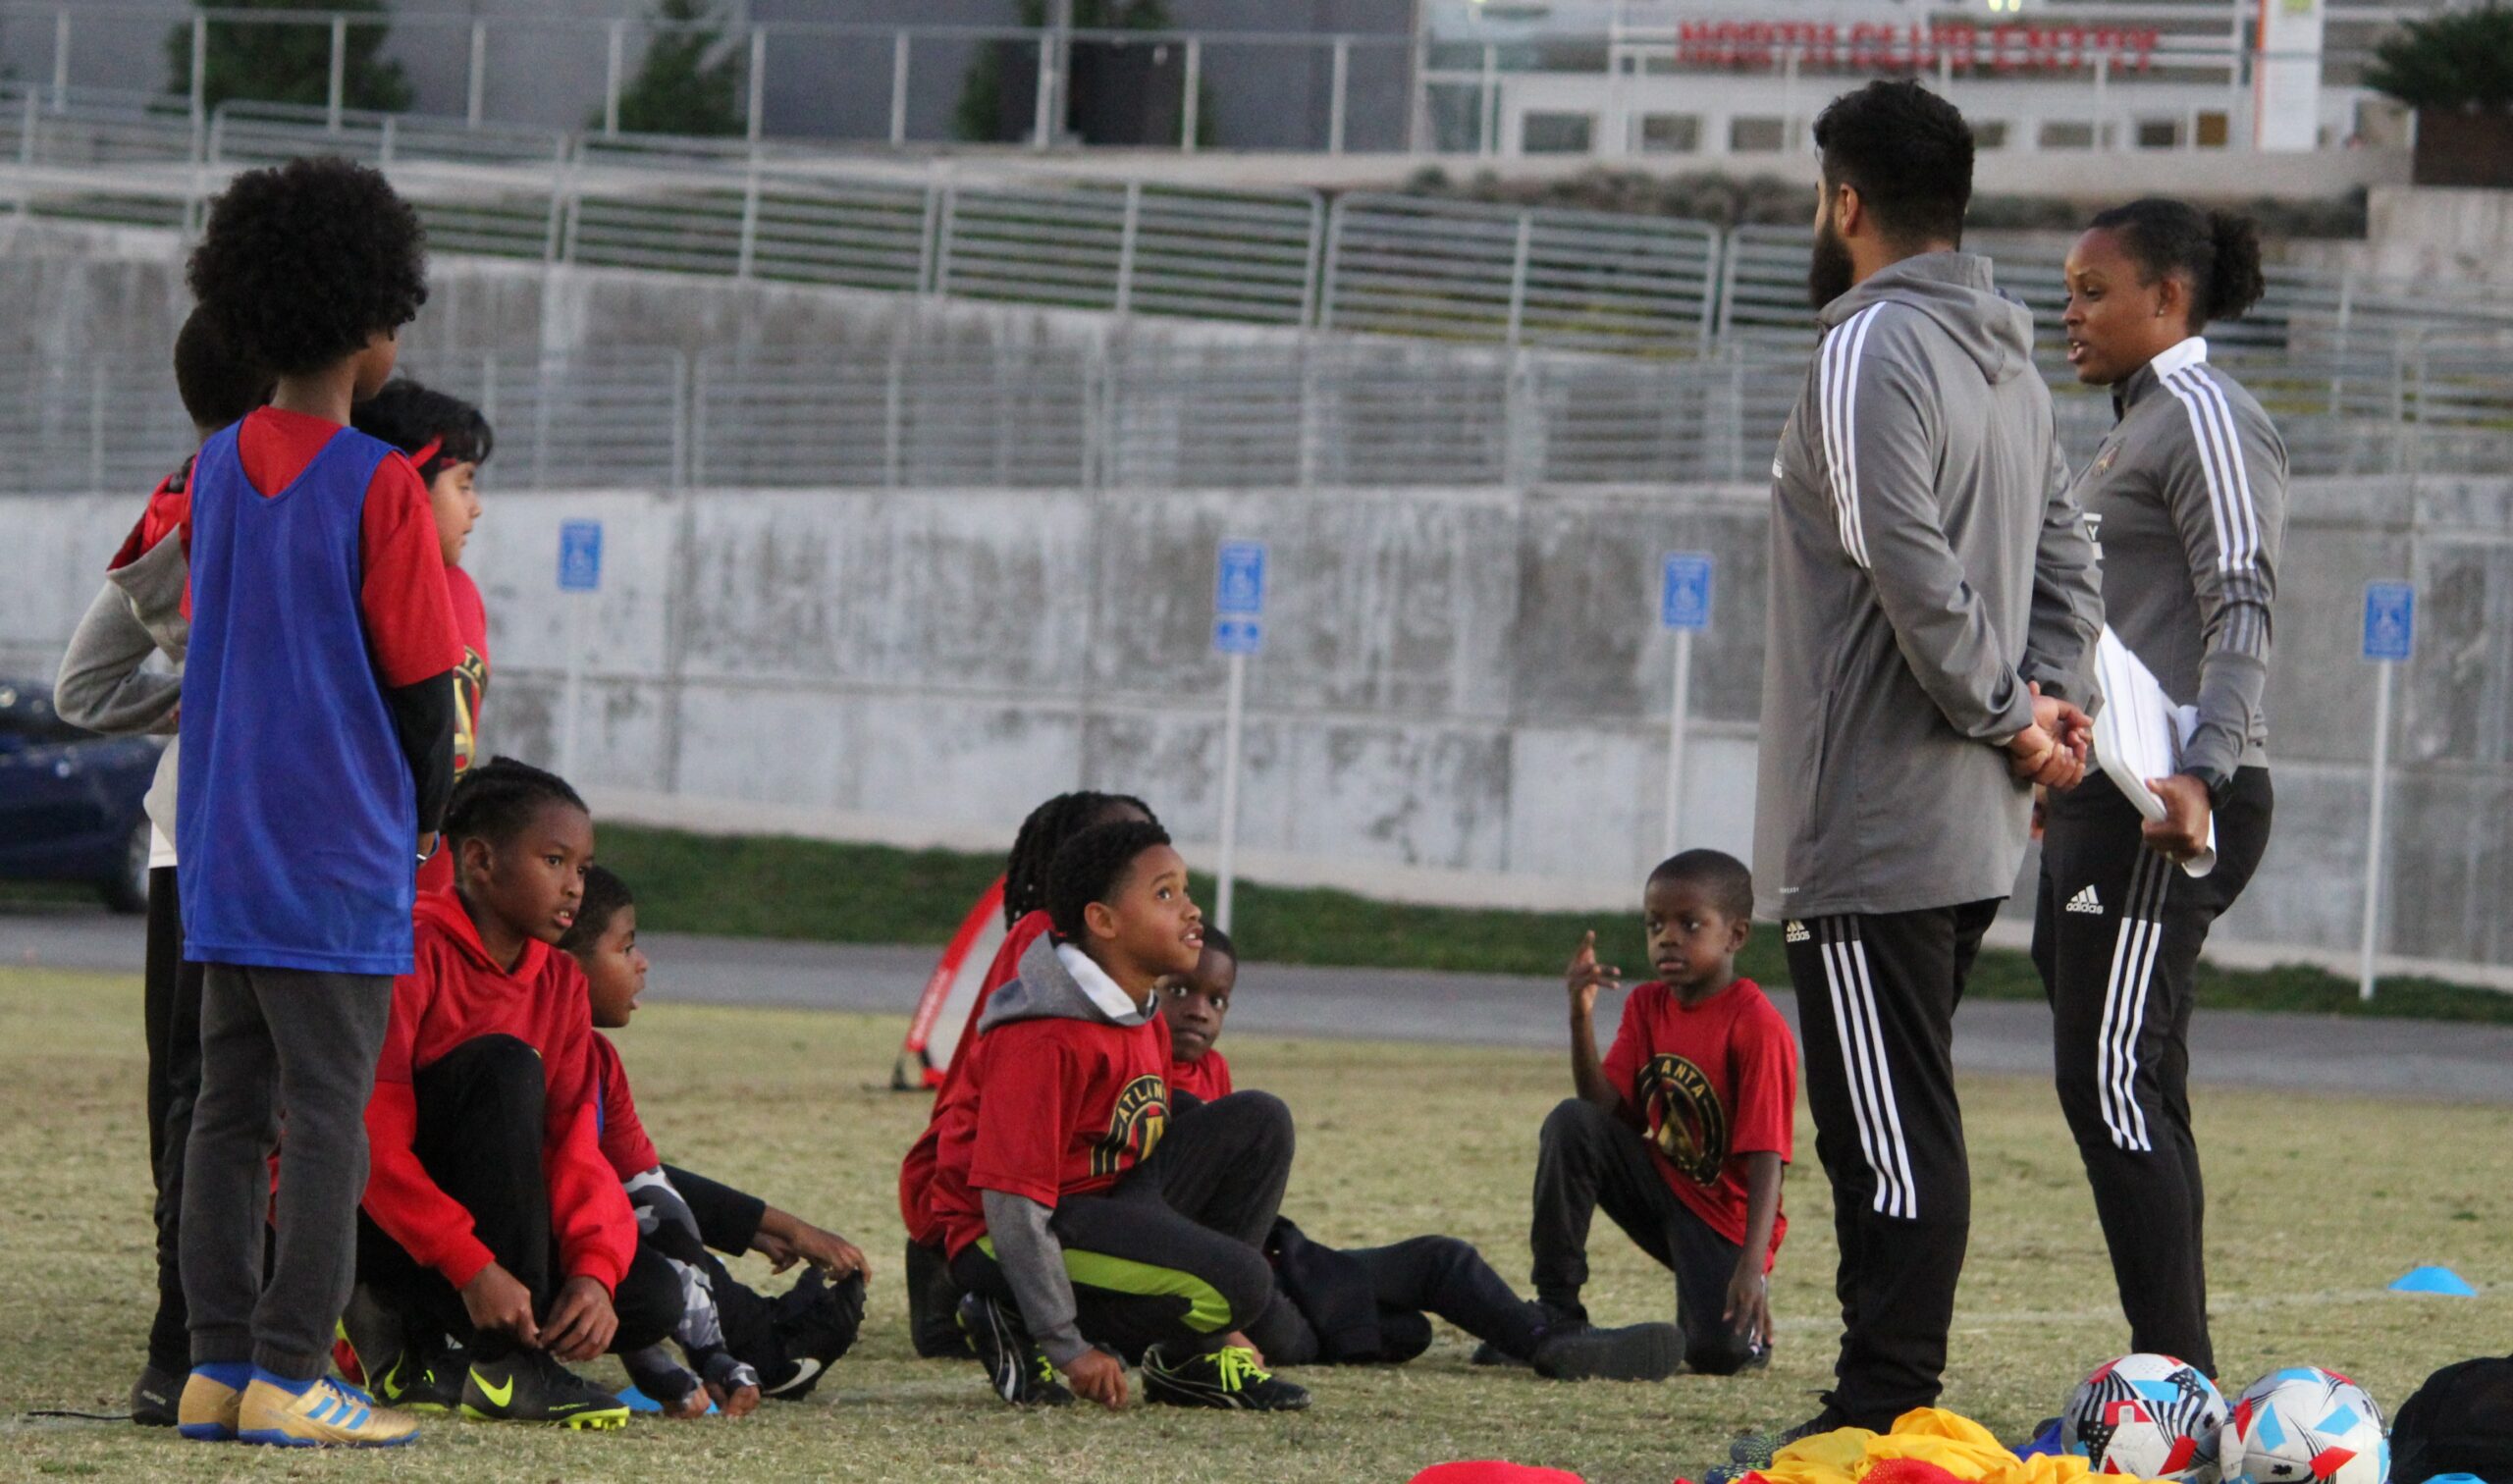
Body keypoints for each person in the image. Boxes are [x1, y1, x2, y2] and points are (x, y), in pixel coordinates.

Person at [1743, 80, 2104, 1455]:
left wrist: (2017, 714)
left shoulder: (1866, 348)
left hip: (1876, 820)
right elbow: (2065, 554)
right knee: (1908, 1110)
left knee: (1885, 1131)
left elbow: (1907, 568)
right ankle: (1891, 1390)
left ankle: (1882, 1405)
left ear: (1845, 202)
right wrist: (2043, 701)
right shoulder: (2008, 352)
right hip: (1969, 825)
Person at [173, 156, 454, 1450]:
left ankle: (218, 1365)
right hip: (336, 849)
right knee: (327, 1109)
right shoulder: (380, 483)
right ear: (361, 318)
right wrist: (434, 810)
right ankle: (296, 1367)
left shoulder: (218, 466)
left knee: (227, 1107)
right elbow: (417, 681)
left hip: (226, 843)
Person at [2037, 198, 2284, 1378]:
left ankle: (2175, 1386)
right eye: (2068, 290)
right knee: (2115, 1069)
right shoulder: (2126, 428)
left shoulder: (2204, 417)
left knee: (2110, 1073)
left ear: (2167, 300)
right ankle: (2177, 1371)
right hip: (2108, 794)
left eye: (2092, 291)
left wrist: (2202, 773)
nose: (2067, 313)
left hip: (2169, 804)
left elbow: (2242, 601)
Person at [50, 307, 268, 1428]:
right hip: (294, 820)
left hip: (186, 823)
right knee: (295, 1092)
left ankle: (175, 1343)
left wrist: (178, 703)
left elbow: (78, 692)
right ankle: (280, 1340)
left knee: (186, 1096)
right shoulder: (317, 484)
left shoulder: (172, 506)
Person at [1159, 930, 1682, 1380]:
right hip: (1228, 1291)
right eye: (1178, 991)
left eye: (1217, 1000)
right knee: (1375, 1330)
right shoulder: (1143, 1065)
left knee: (1439, 1262)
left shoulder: (1214, 1070)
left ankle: (1553, 1337)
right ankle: (1538, 1340)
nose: (1198, 1010)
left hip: (1269, 1260)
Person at [930, 821, 1310, 1412]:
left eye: (1185, 890)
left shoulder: (1140, 1010)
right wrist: (1068, 1345)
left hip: (1101, 1200)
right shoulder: (1044, 1035)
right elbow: (1011, 1203)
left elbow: (1143, 1125)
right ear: (1103, 922)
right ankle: (1018, 1313)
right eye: (1165, 894)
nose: (1192, 911)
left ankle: (1190, 1361)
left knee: (1259, 1122)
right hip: (1005, 1236)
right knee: (1243, 1285)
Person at [348, 759, 681, 1432]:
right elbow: (368, 1143)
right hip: (368, 1221)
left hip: (464, 1237)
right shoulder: (407, 949)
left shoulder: (558, 983)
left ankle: (426, 1339)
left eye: (583, 869)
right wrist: (472, 1268)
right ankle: (501, 1367)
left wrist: (593, 1273)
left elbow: (574, 1148)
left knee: (648, 1295)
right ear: (479, 861)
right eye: (554, 860)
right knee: (504, 1067)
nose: (573, 888)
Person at [561, 864, 871, 1416]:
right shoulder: (515, 1060)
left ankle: (751, 1341)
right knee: (651, 1274)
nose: (642, 962)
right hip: (487, 1261)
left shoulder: (597, 1058)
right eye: (626, 946)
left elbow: (645, 1184)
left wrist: (778, 1230)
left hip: (569, 1242)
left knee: (651, 1239)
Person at [900, 790, 1156, 1358]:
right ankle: (980, 1289)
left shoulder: (1126, 951)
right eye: (1110, 848)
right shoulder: (1046, 942)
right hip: (980, 1192)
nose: (1131, 857)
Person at [1521, 851, 1792, 1382]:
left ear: (1735, 936)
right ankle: (1555, 1313)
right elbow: (1601, 1114)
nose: (1667, 938)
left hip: (1724, 1223)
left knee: (1718, 1355)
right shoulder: (1647, 1005)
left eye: (1689, 925)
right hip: (1662, 1186)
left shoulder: (1755, 1024)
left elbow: (1767, 1158)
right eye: (1655, 925)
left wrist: (1751, 1266)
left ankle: (1749, 1335)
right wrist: (1581, 1018)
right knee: (1570, 1122)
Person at [353, 379, 494, 899]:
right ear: (407, 483)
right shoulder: (360, 589)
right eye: (462, 484)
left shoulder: (463, 591)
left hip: (437, 884)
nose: (475, 507)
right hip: (367, 875)